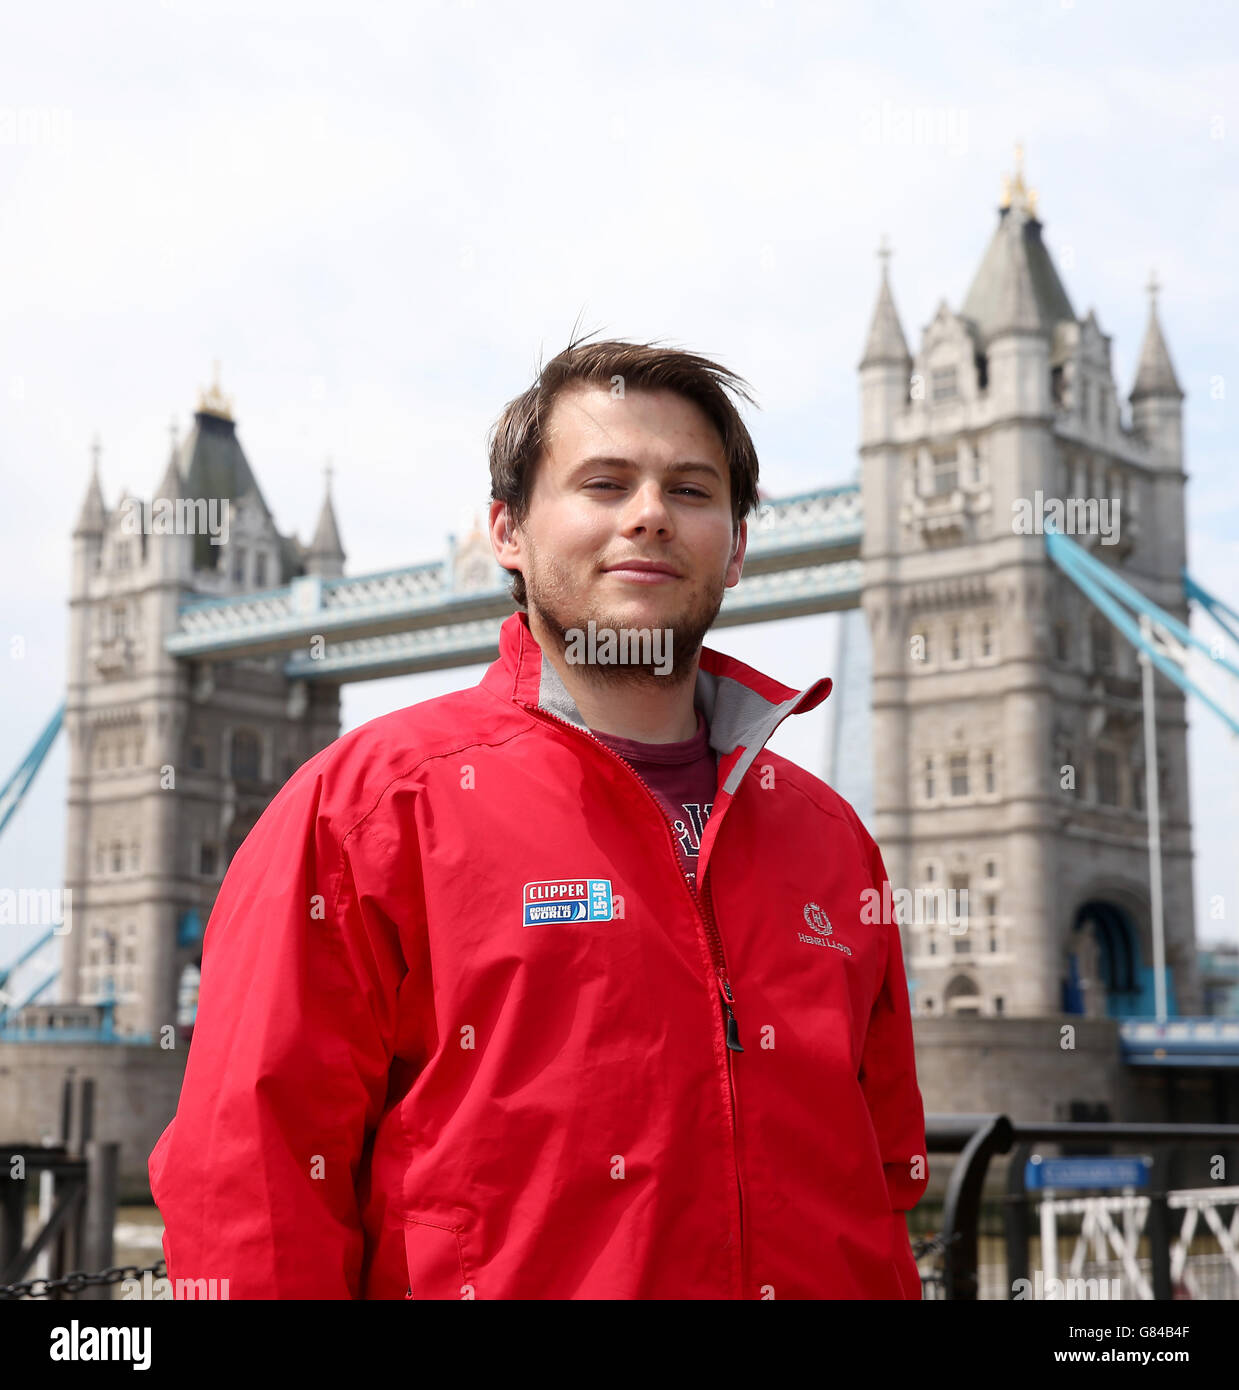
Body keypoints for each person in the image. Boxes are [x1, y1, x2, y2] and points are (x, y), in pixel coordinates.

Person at [148, 335, 929, 1299]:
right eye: (603, 484)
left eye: (690, 491)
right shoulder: (367, 809)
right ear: (506, 533)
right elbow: (250, 1186)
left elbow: (883, 1179)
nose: (649, 515)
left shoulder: (832, 840)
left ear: (734, 548)